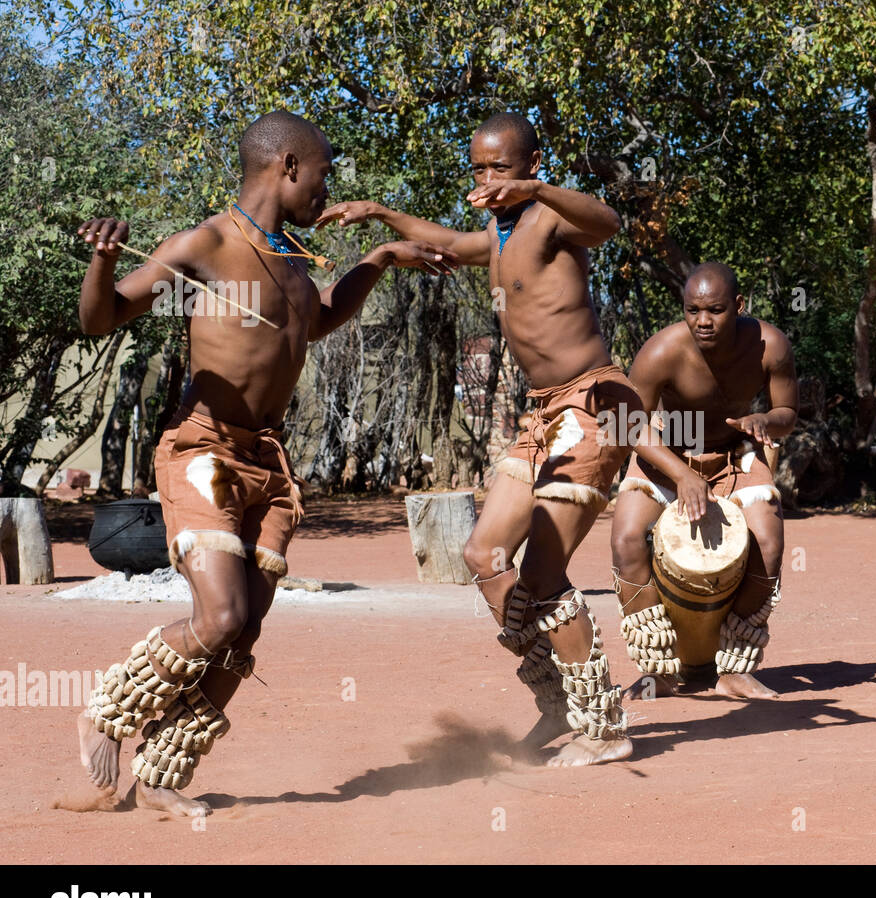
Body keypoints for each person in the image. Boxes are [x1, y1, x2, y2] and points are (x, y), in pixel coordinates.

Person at [75, 110, 457, 816]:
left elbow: (314, 321)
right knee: (219, 615)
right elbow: (102, 318)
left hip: (269, 468)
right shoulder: (207, 244)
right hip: (204, 451)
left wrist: (376, 261)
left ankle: (159, 776)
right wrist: (103, 260)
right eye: (322, 175)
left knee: (243, 632)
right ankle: (108, 712)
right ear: (286, 166)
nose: (326, 190)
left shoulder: (291, 259)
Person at [317, 112, 638, 767]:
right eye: (480, 169)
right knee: (485, 553)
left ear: (532, 163)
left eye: (502, 167)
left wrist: (539, 191)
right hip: (540, 415)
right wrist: (380, 214)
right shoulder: (497, 229)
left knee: (545, 579)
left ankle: (603, 726)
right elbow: (448, 243)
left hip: (594, 406)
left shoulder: (551, 216)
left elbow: (607, 223)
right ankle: (558, 699)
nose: (489, 179)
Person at [611, 262, 797, 700]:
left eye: (714, 310)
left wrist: (766, 419)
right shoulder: (662, 350)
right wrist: (680, 474)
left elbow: (789, 414)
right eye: (692, 310)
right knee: (626, 539)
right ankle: (658, 669)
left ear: (738, 305)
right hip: (670, 454)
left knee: (768, 541)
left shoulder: (770, 346)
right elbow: (628, 422)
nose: (703, 321)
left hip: (736, 453)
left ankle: (734, 667)